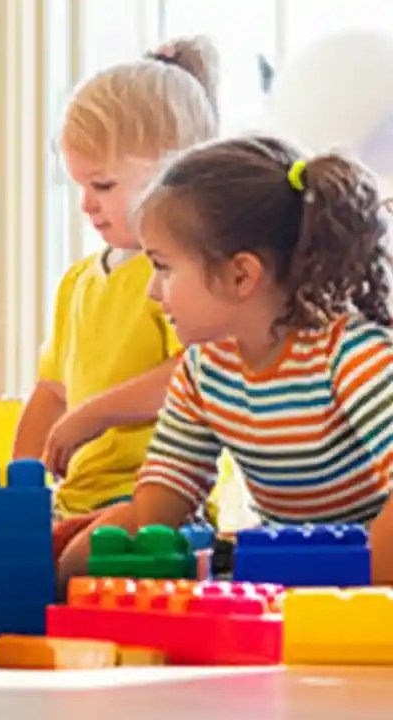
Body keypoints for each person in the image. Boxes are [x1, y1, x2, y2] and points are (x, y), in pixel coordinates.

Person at [57, 135, 393, 588]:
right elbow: (157, 508)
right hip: (289, 580)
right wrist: (61, 574)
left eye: (163, 267)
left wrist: (365, 591)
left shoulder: (351, 358)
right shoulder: (203, 372)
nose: (153, 292)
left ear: (241, 276)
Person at [13, 37, 219, 532]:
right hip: (76, 499)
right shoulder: (78, 282)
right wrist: (17, 483)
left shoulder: (178, 279)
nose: (86, 203)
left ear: (176, 175)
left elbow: (193, 373)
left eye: (102, 186)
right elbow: (52, 392)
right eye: (79, 185)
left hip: (157, 501)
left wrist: (97, 414)